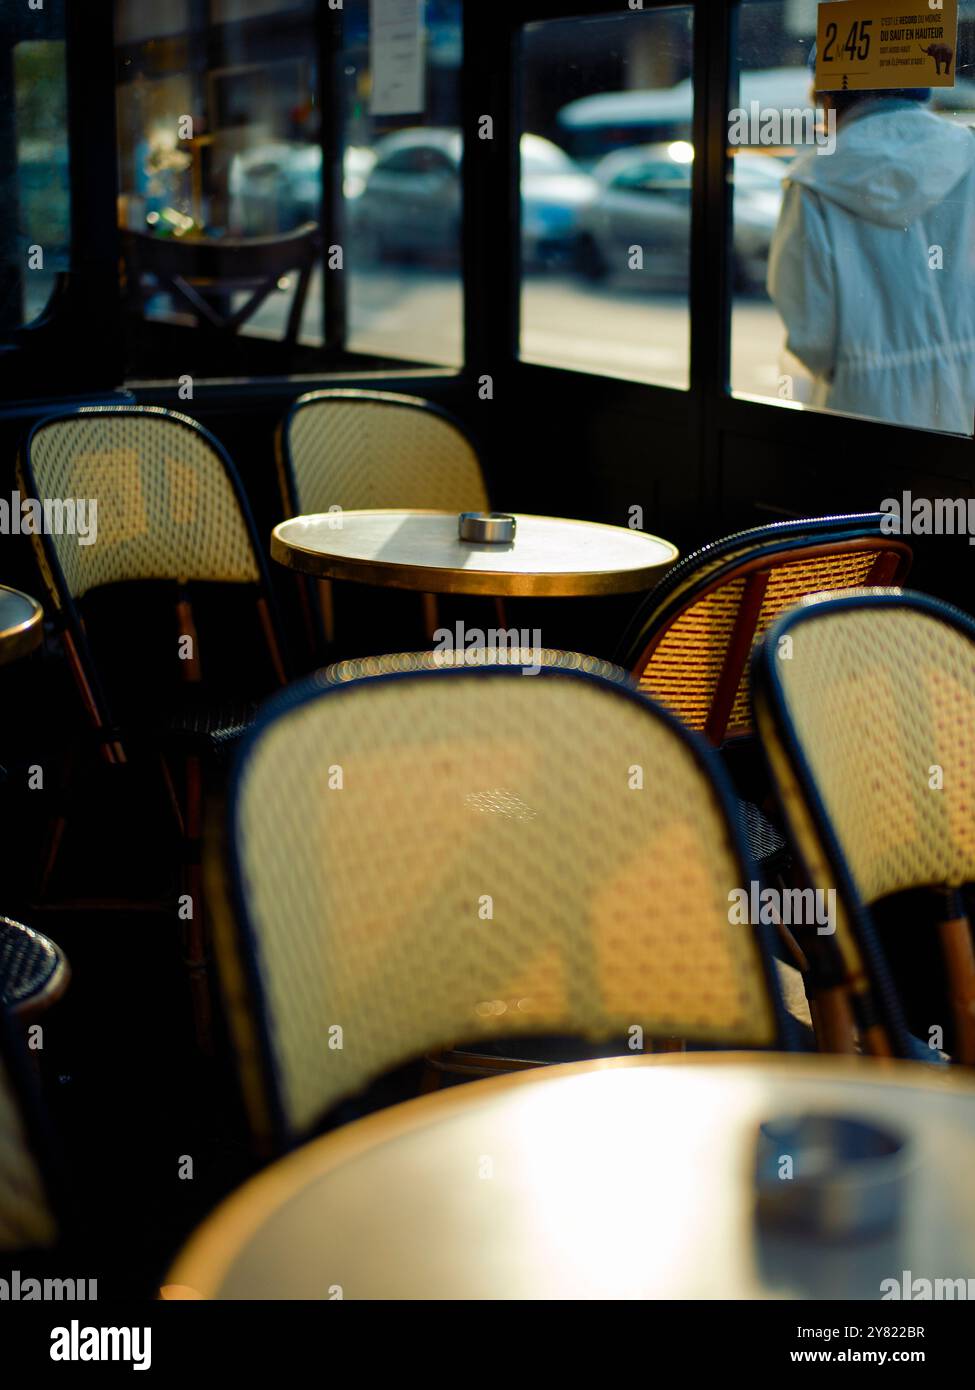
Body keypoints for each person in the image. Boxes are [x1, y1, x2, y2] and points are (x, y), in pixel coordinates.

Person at [767, 51, 975, 436]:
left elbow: (812, 332)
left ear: (828, 96)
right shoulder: (969, 154)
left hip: (866, 412)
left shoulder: (812, 181)